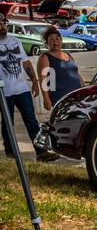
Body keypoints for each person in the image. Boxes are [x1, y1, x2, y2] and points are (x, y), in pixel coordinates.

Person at [0, 16, 56, 160]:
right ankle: (10, 152)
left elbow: (26, 63)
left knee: (31, 120)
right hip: (4, 92)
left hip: (22, 89)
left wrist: (35, 82)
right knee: (7, 123)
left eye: (3, 23)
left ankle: (41, 152)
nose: (2, 26)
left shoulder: (15, 41)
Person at [37, 25, 83, 109]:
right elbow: (43, 79)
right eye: (52, 40)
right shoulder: (45, 57)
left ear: (61, 41)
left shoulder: (67, 55)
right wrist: (46, 99)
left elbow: (76, 73)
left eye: (57, 39)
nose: (55, 42)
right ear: (47, 42)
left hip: (77, 96)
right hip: (60, 99)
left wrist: (84, 89)